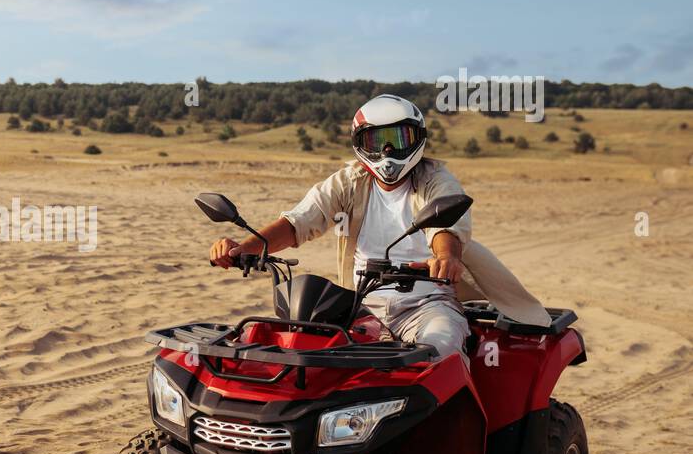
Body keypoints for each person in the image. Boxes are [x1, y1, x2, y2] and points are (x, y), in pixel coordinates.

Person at [209, 94, 549, 364]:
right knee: (304, 358)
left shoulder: (435, 180)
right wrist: (244, 249)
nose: (388, 151)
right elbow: (299, 222)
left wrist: (445, 258)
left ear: (418, 139)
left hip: (426, 305)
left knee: (438, 353)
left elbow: (445, 228)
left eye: (399, 138)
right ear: (361, 143)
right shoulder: (347, 182)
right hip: (358, 303)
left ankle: (443, 445)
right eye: (377, 140)